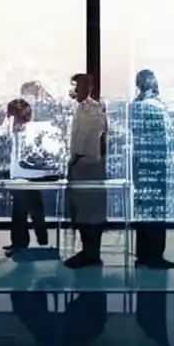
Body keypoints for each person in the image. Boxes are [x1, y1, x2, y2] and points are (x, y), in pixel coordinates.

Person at [130, 69, 174, 269]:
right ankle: (156, 254)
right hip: (156, 163)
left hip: (140, 163)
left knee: (143, 209)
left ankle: (143, 254)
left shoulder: (134, 106)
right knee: (157, 210)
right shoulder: (157, 107)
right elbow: (168, 136)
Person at [3, 98, 58, 257]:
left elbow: (29, 155)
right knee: (32, 207)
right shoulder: (20, 131)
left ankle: (22, 243)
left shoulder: (25, 132)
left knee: (21, 210)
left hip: (24, 175)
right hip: (24, 175)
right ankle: (39, 239)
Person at [65, 73, 108, 269]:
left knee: (89, 212)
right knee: (83, 212)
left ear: (86, 88)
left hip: (87, 165)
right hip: (85, 165)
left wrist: (72, 162)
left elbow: (81, 141)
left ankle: (91, 253)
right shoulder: (83, 109)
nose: (73, 90)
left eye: (76, 86)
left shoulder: (92, 109)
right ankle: (88, 251)